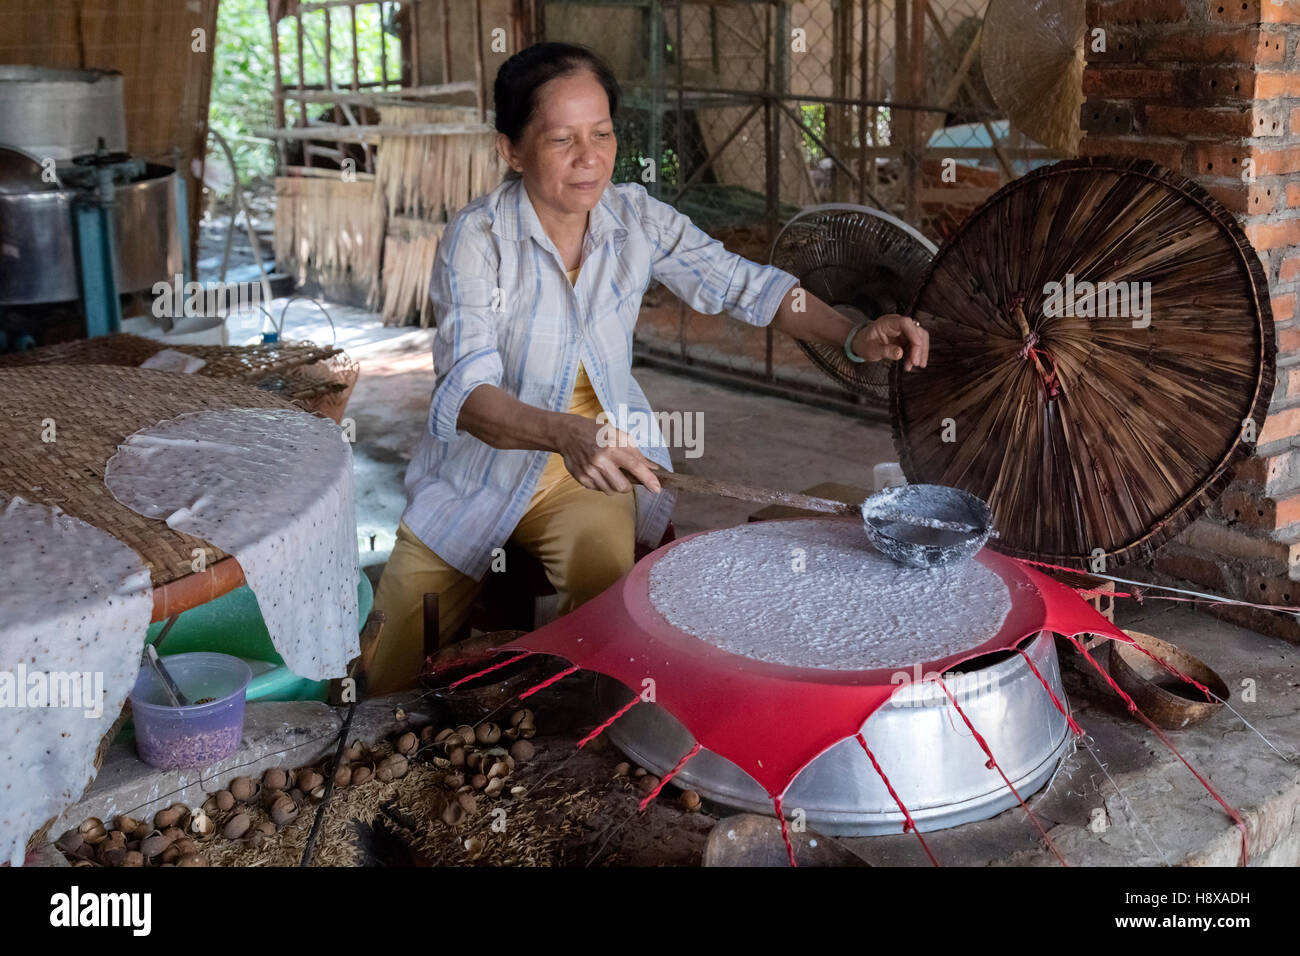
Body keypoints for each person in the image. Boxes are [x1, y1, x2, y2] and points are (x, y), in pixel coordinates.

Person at [366, 42, 928, 694]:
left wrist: (855, 334)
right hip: (478, 471)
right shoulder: (479, 238)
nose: (590, 157)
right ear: (511, 152)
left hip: (600, 462)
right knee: (386, 656)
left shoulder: (635, 217)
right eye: (562, 139)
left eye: (602, 133)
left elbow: (746, 285)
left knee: (608, 620)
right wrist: (562, 433)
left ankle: (569, 743)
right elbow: (466, 394)